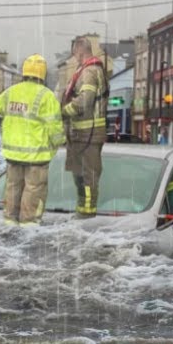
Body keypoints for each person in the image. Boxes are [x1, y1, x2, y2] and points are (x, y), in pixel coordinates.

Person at [0, 54, 64, 226]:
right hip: (36, 157)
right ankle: (28, 226)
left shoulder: (11, 91)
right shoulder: (46, 96)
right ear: (42, 74)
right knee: (33, 191)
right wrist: (59, 142)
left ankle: (9, 222)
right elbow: (55, 128)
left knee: (12, 189)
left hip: (12, 156)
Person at [61, 36, 108, 218]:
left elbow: (85, 102)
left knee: (88, 178)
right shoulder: (86, 70)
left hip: (88, 134)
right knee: (79, 175)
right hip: (80, 135)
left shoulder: (90, 71)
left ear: (80, 50)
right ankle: (83, 210)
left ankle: (87, 214)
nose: (74, 57)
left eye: (74, 53)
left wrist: (65, 111)